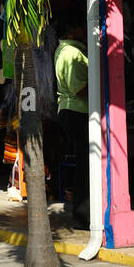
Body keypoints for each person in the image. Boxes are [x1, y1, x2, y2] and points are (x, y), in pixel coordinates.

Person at [54, 22, 89, 228]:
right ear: (69, 29)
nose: (82, 29)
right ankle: (83, 215)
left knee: (85, 163)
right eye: (78, 26)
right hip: (78, 110)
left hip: (73, 110)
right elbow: (80, 89)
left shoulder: (65, 50)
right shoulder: (72, 53)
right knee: (86, 165)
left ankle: (83, 213)